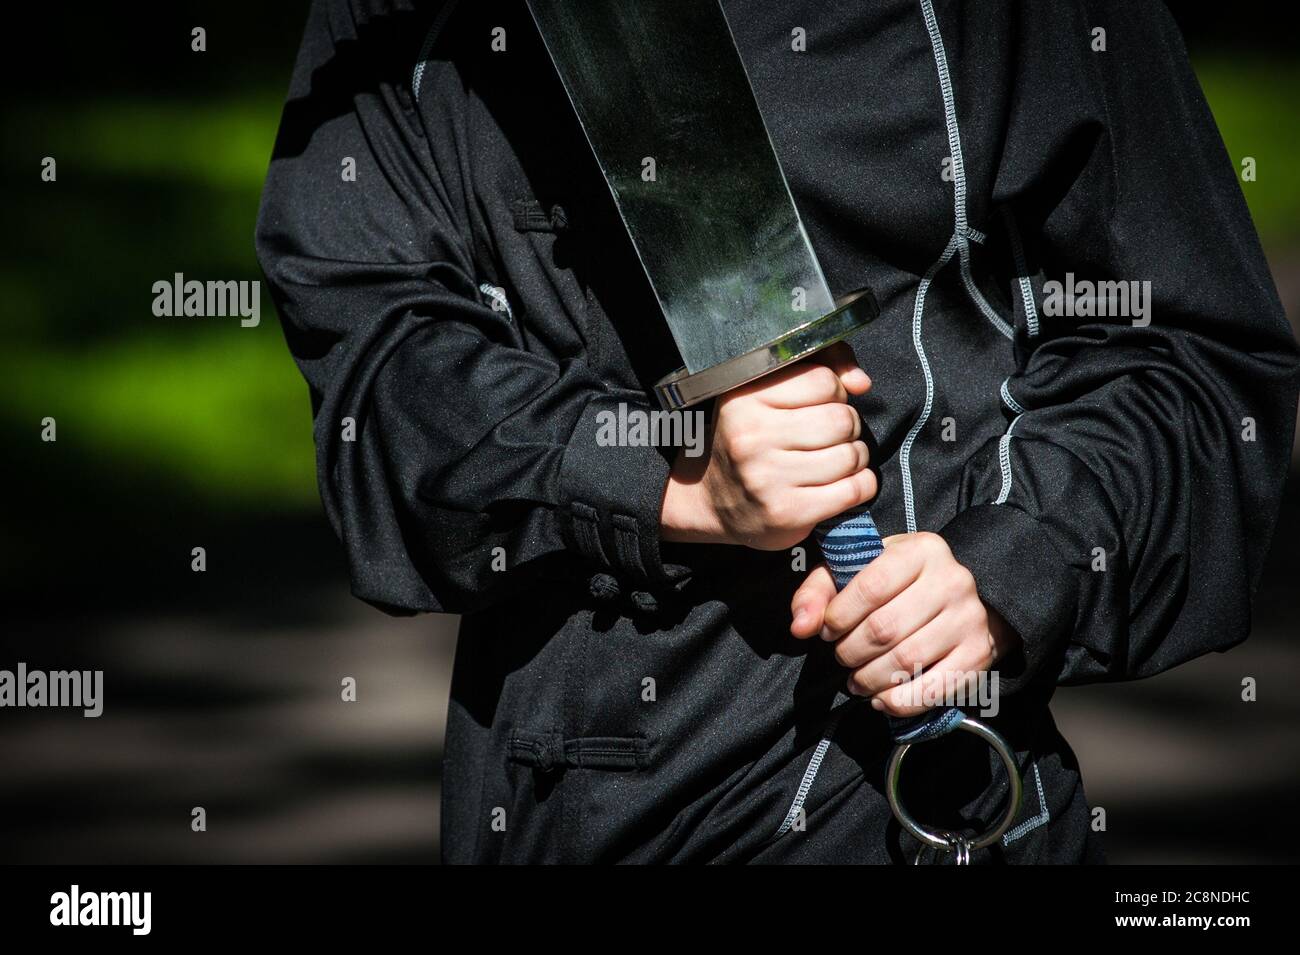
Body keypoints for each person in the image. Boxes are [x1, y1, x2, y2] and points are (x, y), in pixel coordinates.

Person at [256, 0, 1299, 863]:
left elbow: (1193, 355)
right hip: (542, 812)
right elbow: (371, 353)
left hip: (905, 798)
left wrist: (1016, 566)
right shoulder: (403, 21)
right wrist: (651, 471)